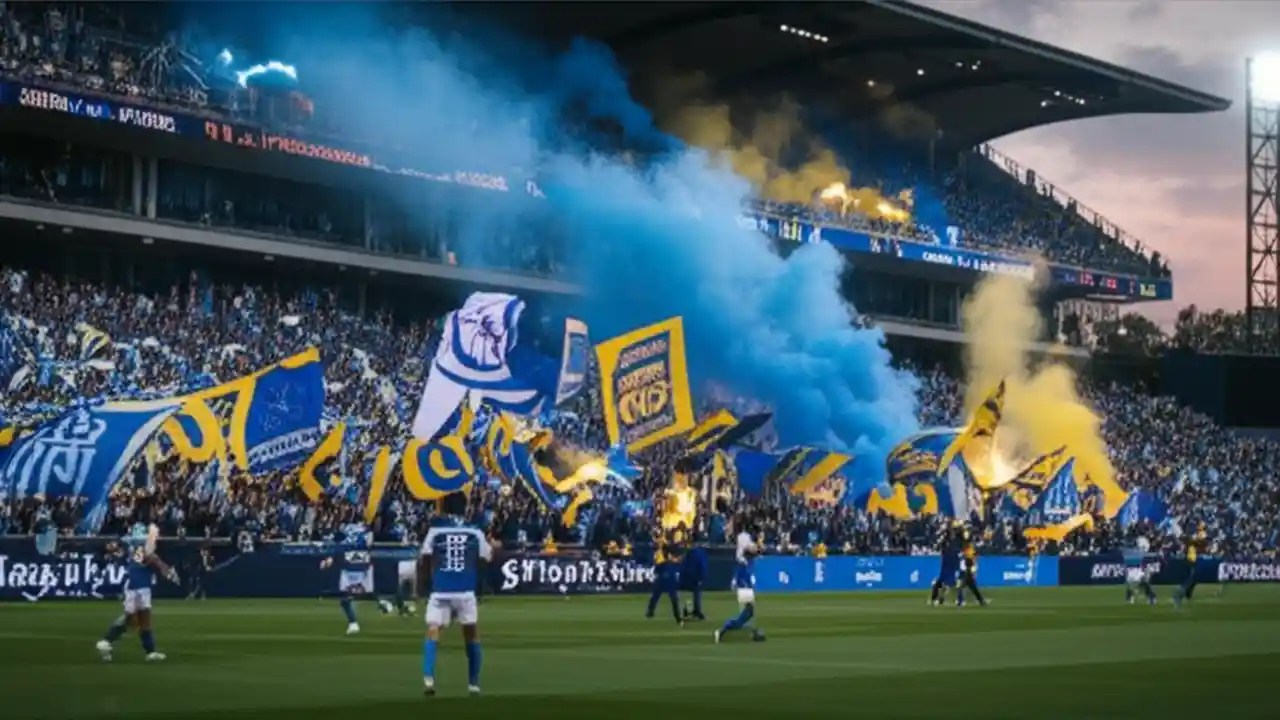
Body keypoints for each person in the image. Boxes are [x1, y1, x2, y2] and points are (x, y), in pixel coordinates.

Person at [418, 492, 491, 697]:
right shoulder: (475, 532)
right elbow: (485, 558)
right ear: (464, 507)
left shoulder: (435, 531)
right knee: (471, 634)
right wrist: (480, 588)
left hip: (441, 589)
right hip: (465, 590)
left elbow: (424, 559)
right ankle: (473, 683)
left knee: (433, 630)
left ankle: (428, 677)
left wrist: (423, 588)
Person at [95, 522, 180, 662]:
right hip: (140, 586)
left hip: (134, 585)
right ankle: (107, 641)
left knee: (140, 620)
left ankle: (149, 651)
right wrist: (167, 571)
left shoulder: (130, 546)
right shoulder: (141, 548)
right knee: (136, 620)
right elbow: (150, 558)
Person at [715, 516, 764, 643]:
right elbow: (751, 549)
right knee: (748, 608)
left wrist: (758, 546)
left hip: (744, 571)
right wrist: (759, 543)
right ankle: (724, 629)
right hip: (742, 572)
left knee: (749, 609)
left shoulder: (744, 536)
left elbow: (754, 550)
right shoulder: (743, 536)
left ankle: (749, 632)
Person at [320, 522, 373, 635]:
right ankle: (386, 604)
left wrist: (327, 562)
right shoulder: (362, 535)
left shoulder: (345, 540)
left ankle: (354, 623)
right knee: (358, 594)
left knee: (347, 598)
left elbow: (337, 551)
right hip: (362, 565)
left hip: (352, 567)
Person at [646, 524, 684, 626]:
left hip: (665, 569)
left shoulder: (666, 545)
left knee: (660, 594)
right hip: (665, 569)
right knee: (662, 594)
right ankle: (677, 617)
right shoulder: (663, 544)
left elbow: (667, 548)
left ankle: (651, 612)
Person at [1173, 523, 1208, 609]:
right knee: (1190, 579)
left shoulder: (1196, 537)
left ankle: (1187, 594)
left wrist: (1190, 539)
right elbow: (1194, 542)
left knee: (1193, 579)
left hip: (1192, 559)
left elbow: (1200, 542)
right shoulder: (1193, 538)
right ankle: (1179, 595)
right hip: (1190, 560)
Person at [955, 527, 987, 607]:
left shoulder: (968, 551)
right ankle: (981, 601)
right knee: (972, 588)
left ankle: (960, 601)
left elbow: (967, 558)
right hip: (968, 572)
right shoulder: (968, 551)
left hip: (966, 572)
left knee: (962, 587)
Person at [1124, 536, 1157, 606]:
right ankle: (1130, 597)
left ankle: (1150, 597)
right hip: (1134, 569)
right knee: (1135, 583)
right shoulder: (1132, 552)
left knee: (1141, 582)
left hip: (1136, 569)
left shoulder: (1135, 551)